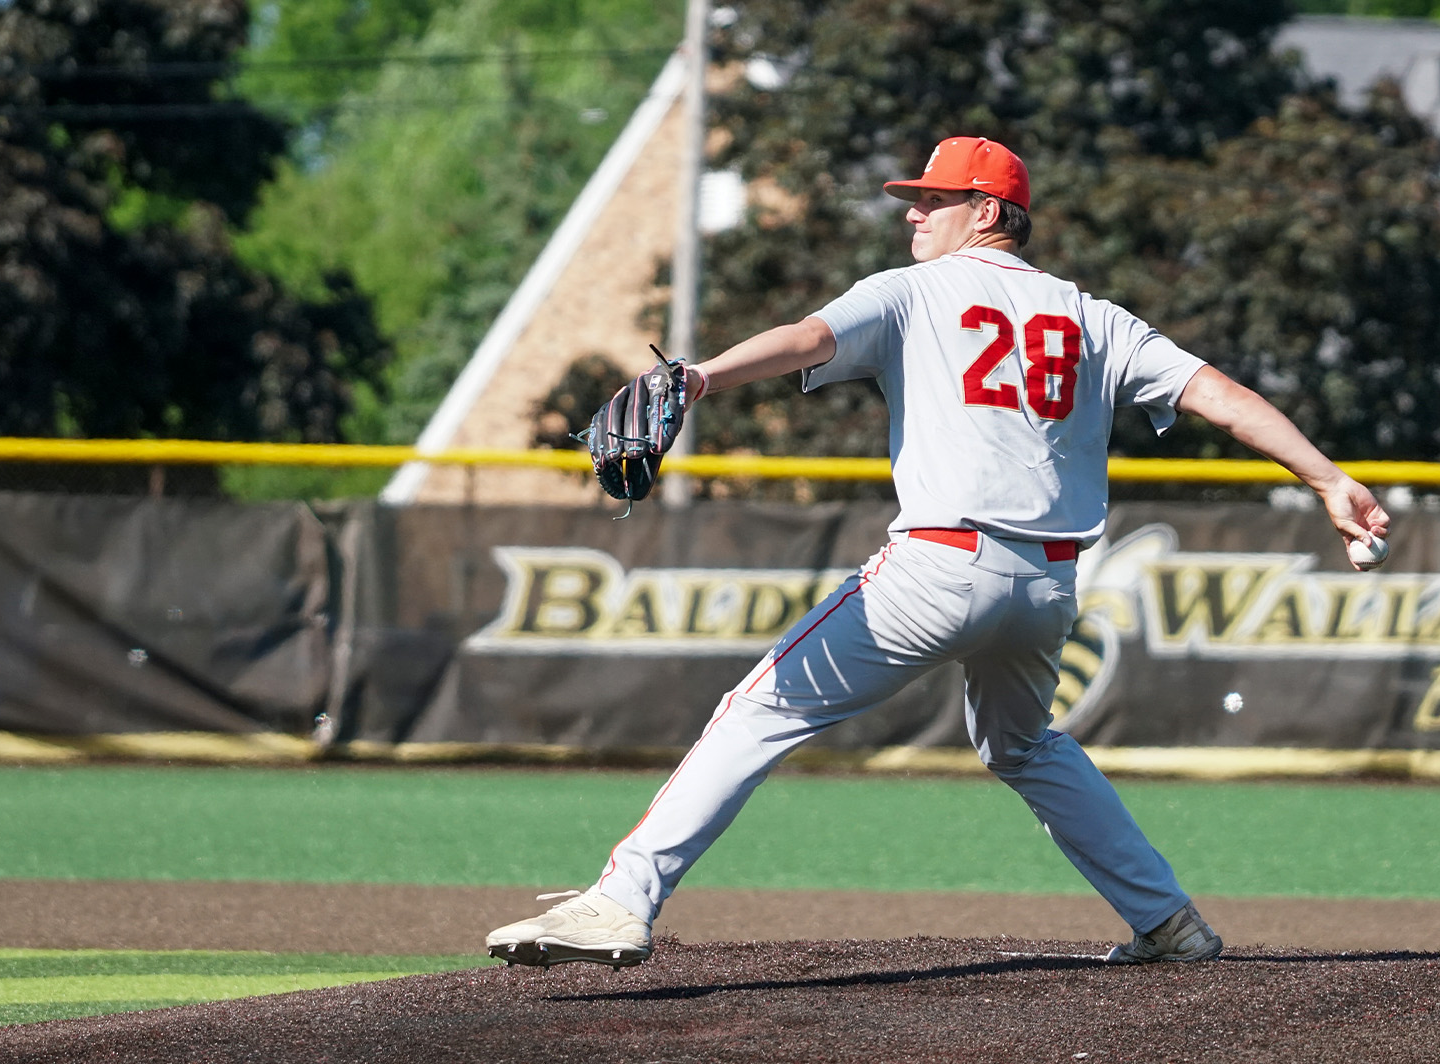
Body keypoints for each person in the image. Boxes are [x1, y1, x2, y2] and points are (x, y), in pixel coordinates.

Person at [487, 136, 1390, 969]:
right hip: (1047, 584)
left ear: (989, 212)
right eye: (913, 200)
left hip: (939, 565)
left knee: (759, 708)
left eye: (935, 198)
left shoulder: (911, 290)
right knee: (1025, 743)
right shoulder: (1093, 316)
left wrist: (698, 376)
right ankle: (1169, 923)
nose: (912, 213)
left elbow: (809, 338)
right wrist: (1326, 480)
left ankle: (622, 899)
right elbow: (1220, 394)